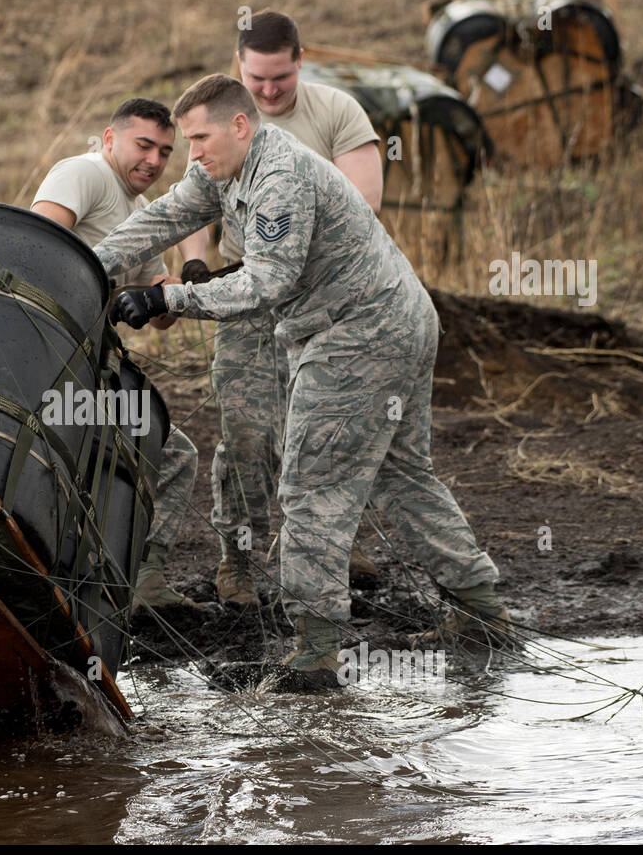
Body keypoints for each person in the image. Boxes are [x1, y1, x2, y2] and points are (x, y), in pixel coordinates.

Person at [94, 75, 513, 688]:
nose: (193, 155)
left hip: (363, 331)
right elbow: (166, 216)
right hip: (386, 321)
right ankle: (482, 613)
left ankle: (318, 653)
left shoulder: (279, 178)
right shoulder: (222, 170)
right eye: (187, 142)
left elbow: (266, 283)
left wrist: (168, 298)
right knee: (403, 476)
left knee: (311, 483)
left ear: (241, 126)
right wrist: (85, 262)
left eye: (201, 138)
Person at [178, 10, 383, 608]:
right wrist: (196, 265)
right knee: (244, 431)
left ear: (301, 59)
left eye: (280, 80)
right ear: (239, 67)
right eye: (256, 79)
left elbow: (364, 203)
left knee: (323, 425)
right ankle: (237, 563)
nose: (268, 92)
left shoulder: (338, 113)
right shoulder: (219, 117)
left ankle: (334, 543)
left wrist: (289, 257)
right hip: (245, 293)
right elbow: (193, 204)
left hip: (322, 294)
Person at [32, 97, 203, 614]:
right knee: (156, 457)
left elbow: (161, 312)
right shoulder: (83, 174)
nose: (153, 160)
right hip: (49, 364)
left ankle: (143, 581)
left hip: (92, 370)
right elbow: (39, 246)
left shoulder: (142, 216)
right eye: (143, 145)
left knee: (172, 455)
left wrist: (172, 289)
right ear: (110, 139)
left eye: (165, 152)